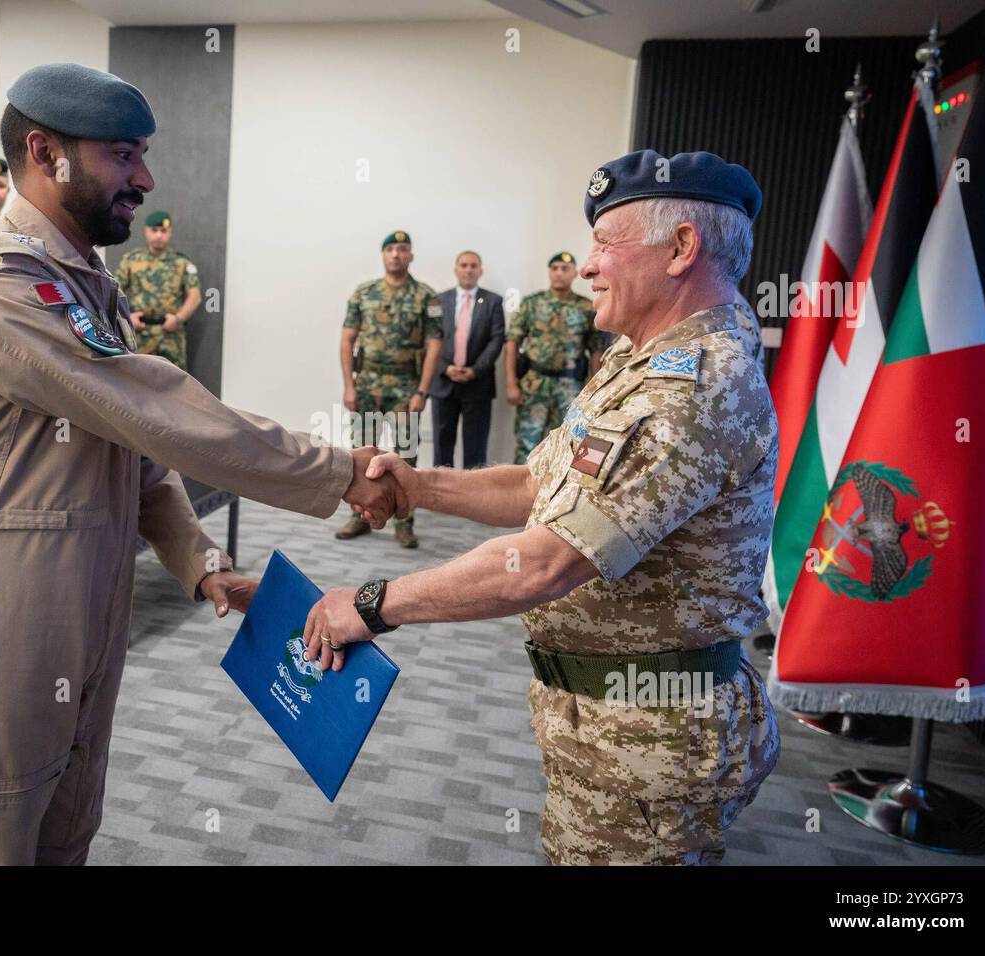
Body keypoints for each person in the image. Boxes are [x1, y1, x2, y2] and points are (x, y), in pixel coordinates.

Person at [0, 63, 406, 865]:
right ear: (44, 151)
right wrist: (339, 473)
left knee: (67, 820)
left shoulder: (83, 278)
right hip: (2, 593)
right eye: (124, 156)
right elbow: (155, 408)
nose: (146, 178)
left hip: (90, 587)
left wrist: (201, 565)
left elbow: (133, 454)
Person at [303, 150, 781, 866]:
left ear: (682, 247)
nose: (587, 266)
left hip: (650, 737)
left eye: (605, 244)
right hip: (608, 720)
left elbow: (547, 562)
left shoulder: (693, 387)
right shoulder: (637, 358)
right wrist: (419, 486)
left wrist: (373, 603)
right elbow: (539, 484)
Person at [336, 231, 442, 548]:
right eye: (391, 249)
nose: (396, 254)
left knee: (405, 455)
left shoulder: (427, 296)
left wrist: (422, 391)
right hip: (367, 382)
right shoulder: (363, 293)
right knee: (361, 454)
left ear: (410, 255)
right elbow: (347, 340)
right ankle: (359, 514)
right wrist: (349, 386)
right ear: (383, 255)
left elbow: (434, 345)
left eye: (403, 249)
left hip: (405, 386)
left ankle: (404, 520)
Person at [504, 252, 604, 464]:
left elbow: (596, 350)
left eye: (564, 269)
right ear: (549, 272)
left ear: (575, 273)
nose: (559, 273)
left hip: (570, 387)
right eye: (555, 268)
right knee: (527, 444)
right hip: (534, 384)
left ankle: (558, 496)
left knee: (569, 443)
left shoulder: (586, 307)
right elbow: (512, 342)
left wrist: (594, 389)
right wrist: (511, 383)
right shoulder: (532, 303)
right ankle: (520, 497)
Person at [429, 251, 504, 469]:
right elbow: (431, 339)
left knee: (476, 447)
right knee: (442, 445)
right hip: (444, 383)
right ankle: (441, 497)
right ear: (456, 270)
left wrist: (475, 370)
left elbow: (496, 339)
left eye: (473, 266)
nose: (468, 270)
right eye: (464, 265)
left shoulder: (493, 301)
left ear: (480, 271)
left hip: (478, 384)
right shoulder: (437, 301)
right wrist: (445, 367)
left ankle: (471, 500)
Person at [113, 210, 200, 369]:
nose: (159, 235)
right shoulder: (132, 260)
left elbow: (195, 296)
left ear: (170, 232)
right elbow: (114, 291)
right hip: (140, 334)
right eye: (154, 230)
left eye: (163, 231)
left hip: (171, 336)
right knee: (137, 381)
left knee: (175, 385)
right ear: (146, 231)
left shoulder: (181, 262)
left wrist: (178, 319)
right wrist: (127, 318)